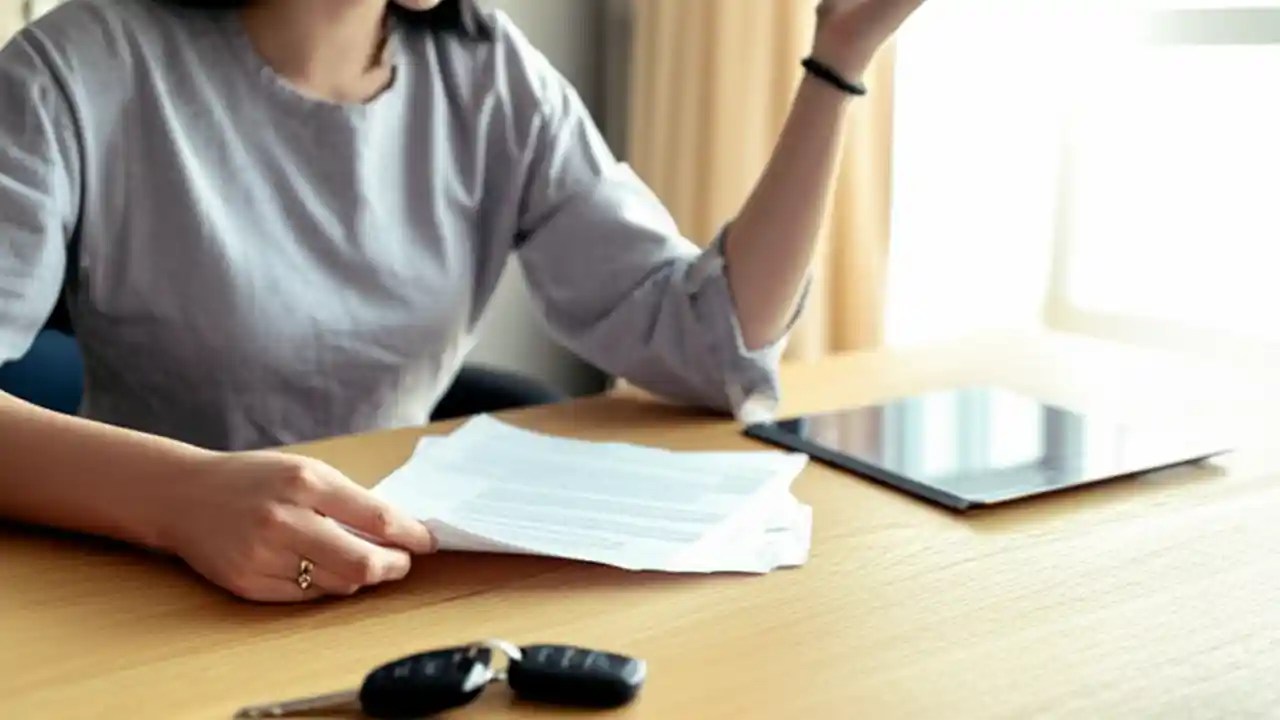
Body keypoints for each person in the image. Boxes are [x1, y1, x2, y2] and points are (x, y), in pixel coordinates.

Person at [0, 0, 926, 602]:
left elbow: (706, 345)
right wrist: (183, 497)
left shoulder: (488, 74)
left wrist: (838, 59)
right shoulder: (70, 71)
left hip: (403, 581)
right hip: (133, 587)